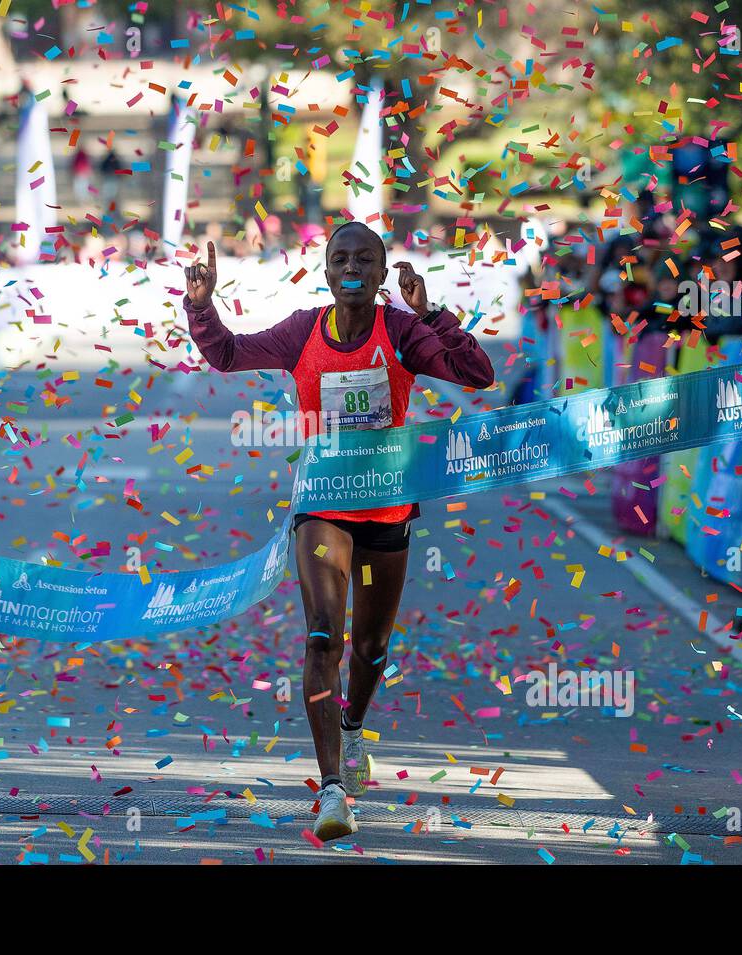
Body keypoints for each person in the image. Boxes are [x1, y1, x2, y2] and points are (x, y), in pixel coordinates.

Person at [182, 221, 494, 841]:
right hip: (323, 506)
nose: (352, 267)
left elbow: (476, 373)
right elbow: (226, 353)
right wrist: (200, 305)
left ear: (381, 278)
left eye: (365, 259)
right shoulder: (303, 331)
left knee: (370, 650)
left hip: (386, 514)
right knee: (323, 636)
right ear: (327, 272)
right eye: (340, 258)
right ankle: (331, 791)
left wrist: (431, 315)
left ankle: (353, 731)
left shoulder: (401, 331)